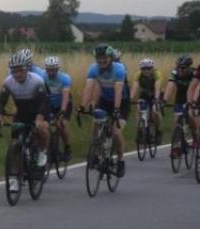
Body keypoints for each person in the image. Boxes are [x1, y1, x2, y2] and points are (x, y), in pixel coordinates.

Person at [0, 52, 50, 167]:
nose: (18, 74)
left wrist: (39, 119)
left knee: (42, 129)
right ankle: (16, 174)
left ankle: (42, 152)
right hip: (22, 111)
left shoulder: (37, 80)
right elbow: (1, 101)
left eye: (20, 70)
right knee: (15, 143)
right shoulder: (8, 82)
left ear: (27, 69)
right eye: (14, 71)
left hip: (39, 109)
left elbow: (43, 102)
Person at [81, 44, 128, 177]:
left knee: (116, 131)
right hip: (105, 101)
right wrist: (82, 106)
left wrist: (117, 109)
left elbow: (118, 90)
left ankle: (120, 161)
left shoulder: (119, 69)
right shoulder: (94, 69)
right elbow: (88, 87)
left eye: (105, 57)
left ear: (111, 58)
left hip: (122, 102)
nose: (102, 60)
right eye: (99, 58)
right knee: (96, 122)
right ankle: (95, 150)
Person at [162, 55, 196, 157]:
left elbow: (198, 88)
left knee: (191, 117)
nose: (180, 69)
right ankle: (176, 147)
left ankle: (196, 138)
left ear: (189, 67)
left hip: (194, 98)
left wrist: (193, 102)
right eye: (178, 67)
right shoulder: (174, 73)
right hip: (180, 99)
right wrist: (164, 100)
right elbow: (170, 87)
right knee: (177, 122)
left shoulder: (195, 73)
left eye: (183, 67)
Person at [42, 56, 73, 159]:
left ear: (57, 69)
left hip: (64, 103)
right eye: (49, 69)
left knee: (61, 125)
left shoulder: (64, 78)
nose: (51, 72)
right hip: (50, 104)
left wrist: (63, 111)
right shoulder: (42, 77)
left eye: (53, 69)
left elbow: (65, 96)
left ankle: (67, 148)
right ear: (45, 69)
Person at [130, 57, 162, 142]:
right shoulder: (138, 74)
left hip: (155, 95)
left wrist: (156, 99)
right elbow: (135, 87)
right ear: (141, 69)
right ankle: (140, 131)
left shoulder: (157, 73)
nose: (146, 71)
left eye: (149, 68)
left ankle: (158, 131)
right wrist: (130, 98)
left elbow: (157, 87)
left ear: (152, 68)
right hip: (144, 96)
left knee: (155, 112)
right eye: (144, 68)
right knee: (139, 111)